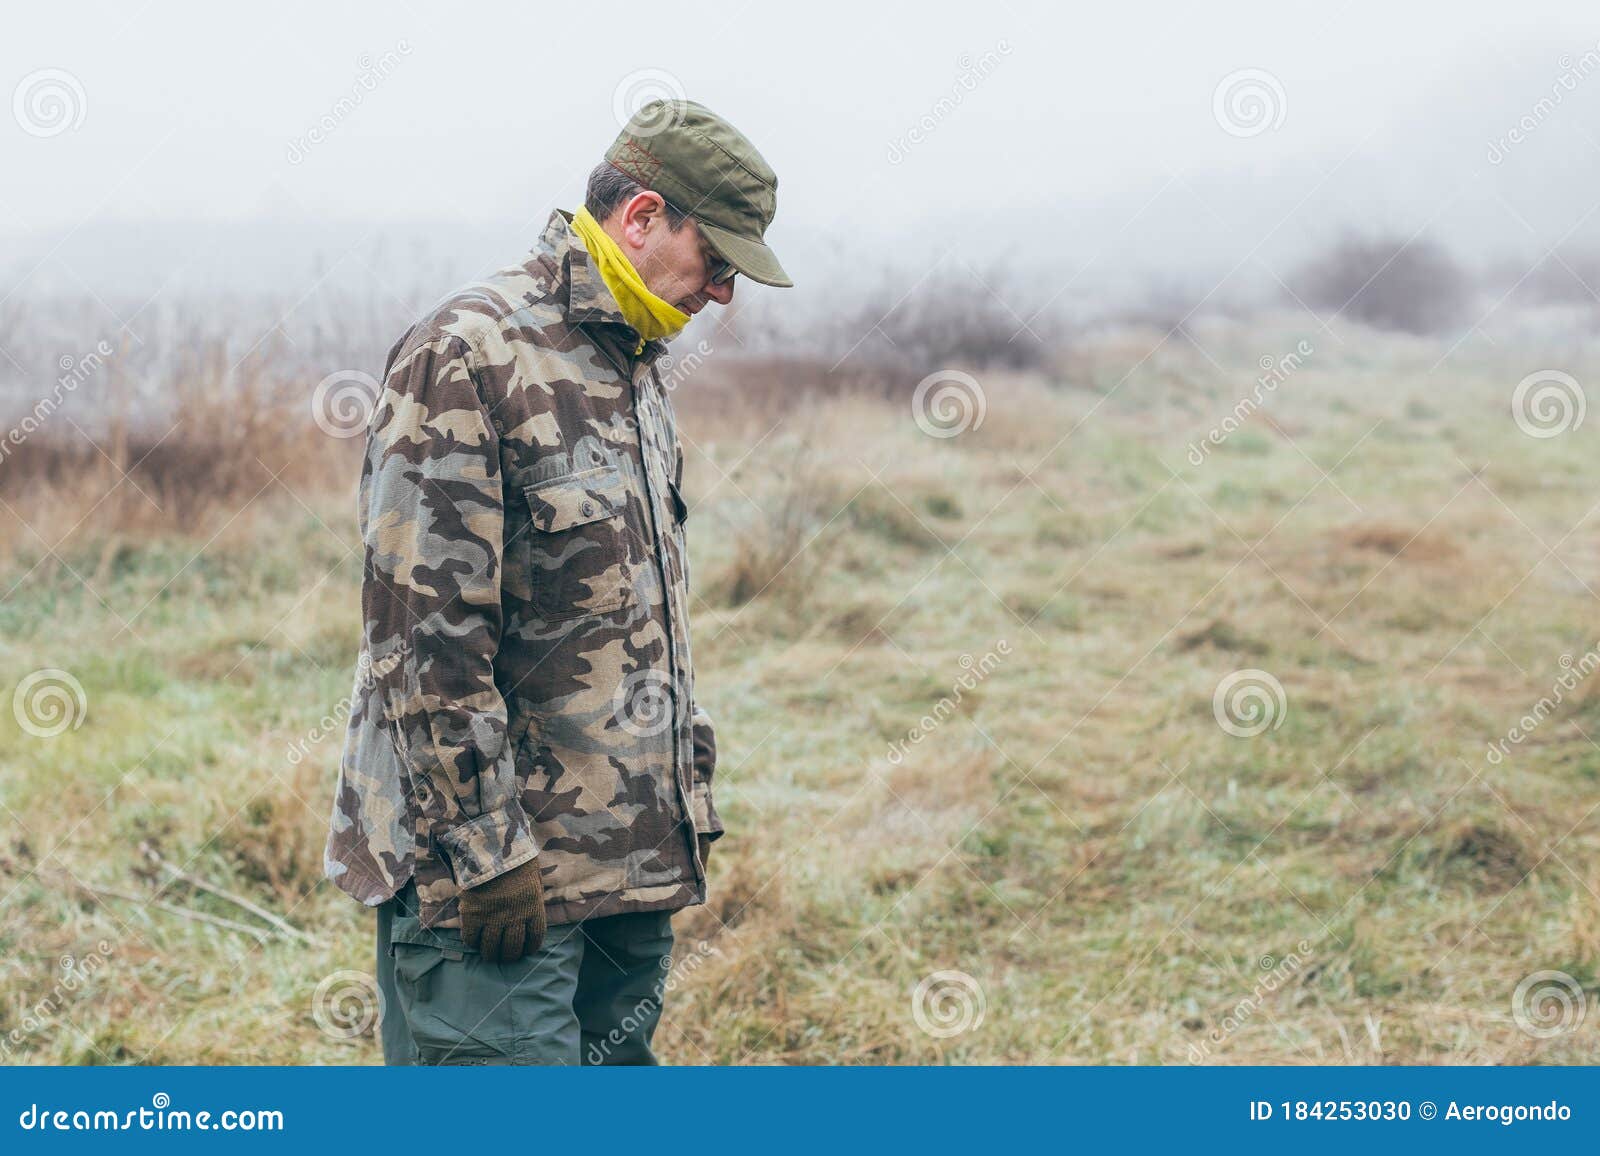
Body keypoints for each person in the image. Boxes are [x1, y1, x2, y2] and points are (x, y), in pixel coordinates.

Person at [322, 98, 792, 1064]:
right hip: (500, 892)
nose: (725, 293)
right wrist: (487, 854)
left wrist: (682, 802)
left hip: (626, 870)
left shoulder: (635, 368)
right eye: (720, 262)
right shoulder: (468, 353)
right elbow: (422, 640)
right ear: (645, 216)